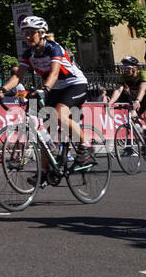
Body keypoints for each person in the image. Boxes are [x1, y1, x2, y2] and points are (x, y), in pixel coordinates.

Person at [18, 16, 93, 169]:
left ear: (41, 33)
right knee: (48, 127)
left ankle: (85, 145)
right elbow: (17, 75)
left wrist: (44, 89)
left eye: (31, 33)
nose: (27, 37)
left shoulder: (53, 48)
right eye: (25, 33)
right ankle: (47, 171)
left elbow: (54, 73)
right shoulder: (28, 53)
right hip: (57, 88)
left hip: (75, 84)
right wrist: (3, 89)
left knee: (58, 115)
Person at [105, 56, 146, 157]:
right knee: (132, 117)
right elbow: (118, 90)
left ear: (135, 68)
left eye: (127, 68)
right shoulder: (123, 77)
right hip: (139, 97)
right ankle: (145, 136)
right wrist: (110, 103)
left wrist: (137, 100)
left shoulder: (143, 74)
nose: (125, 71)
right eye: (123, 68)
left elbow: (142, 89)